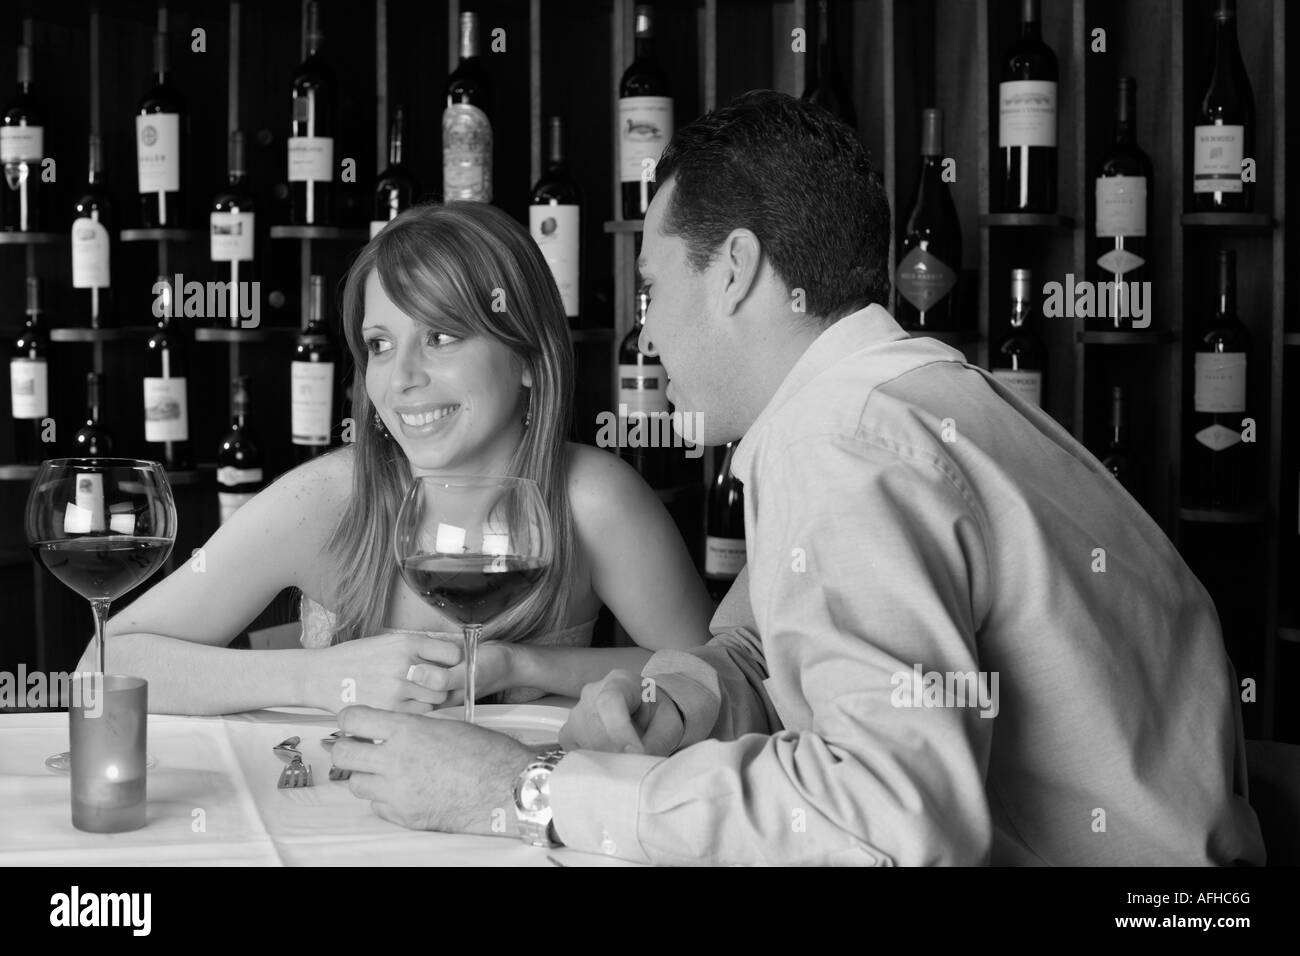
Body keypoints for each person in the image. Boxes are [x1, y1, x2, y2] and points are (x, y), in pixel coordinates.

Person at [330, 92, 1265, 866]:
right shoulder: (904, 395)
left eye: (653, 289)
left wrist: (520, 791)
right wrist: (686, 695)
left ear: (734, 269)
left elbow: (889, 826)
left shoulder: (847, 442)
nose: (646, 333)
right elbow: (765, 648)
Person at [82, 202, 714, 715]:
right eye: (380, 345)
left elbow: (710, 674)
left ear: (526, 355)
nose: (401, 377)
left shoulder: (593, 498)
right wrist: (316, 679)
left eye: (439, 337)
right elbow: (103, 667)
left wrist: (524, 665)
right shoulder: (324, 499)